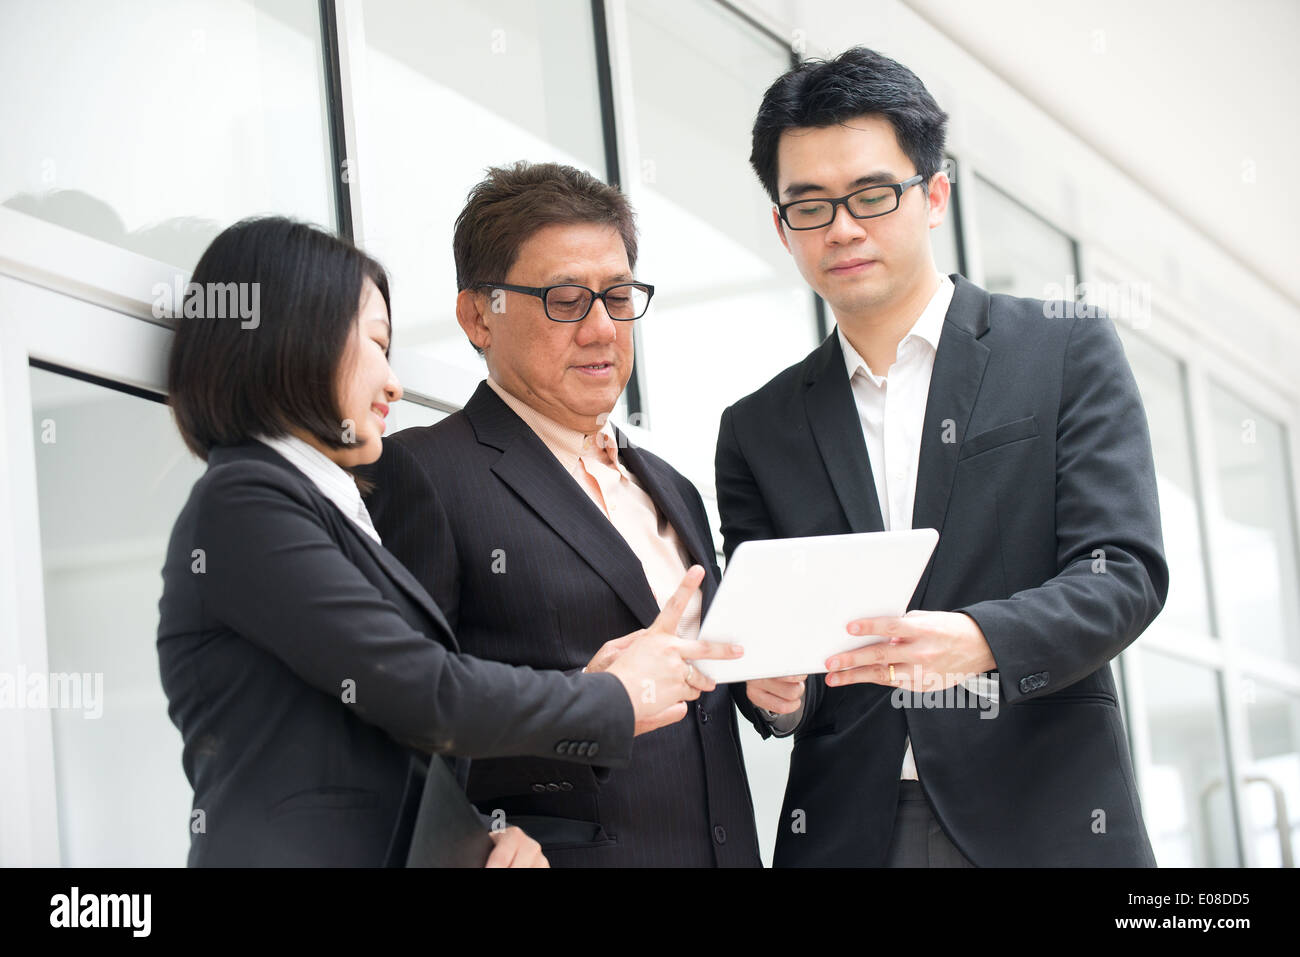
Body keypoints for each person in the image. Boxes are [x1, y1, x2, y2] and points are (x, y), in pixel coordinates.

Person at [156, 215, 739, 867]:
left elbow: (398, 741)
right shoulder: (245, 499)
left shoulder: (316, 508)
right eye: (376, 344)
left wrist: (480, 838)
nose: (393, 383)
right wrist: (610, 698)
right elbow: (419, 687)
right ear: (297, 341)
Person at [715, 47, 1168, 866]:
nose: (843, 228)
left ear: (934, 196)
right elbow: (775, 652)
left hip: (1042, 818)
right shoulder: (757, 428)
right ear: (782, 228)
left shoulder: (1062, 349)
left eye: (871, 195)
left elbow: (1123, 572)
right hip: (851, 834)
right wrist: (774, 695)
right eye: (810, 206)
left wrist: (979, 638)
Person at [360, 162, 761, 867]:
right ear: (479, 316)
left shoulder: (673, 486)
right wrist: (589, 712)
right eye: (566, 300)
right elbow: (404, 727)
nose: (602, 329)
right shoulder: (423, 472)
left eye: (618, 296)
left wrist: (774, 695)